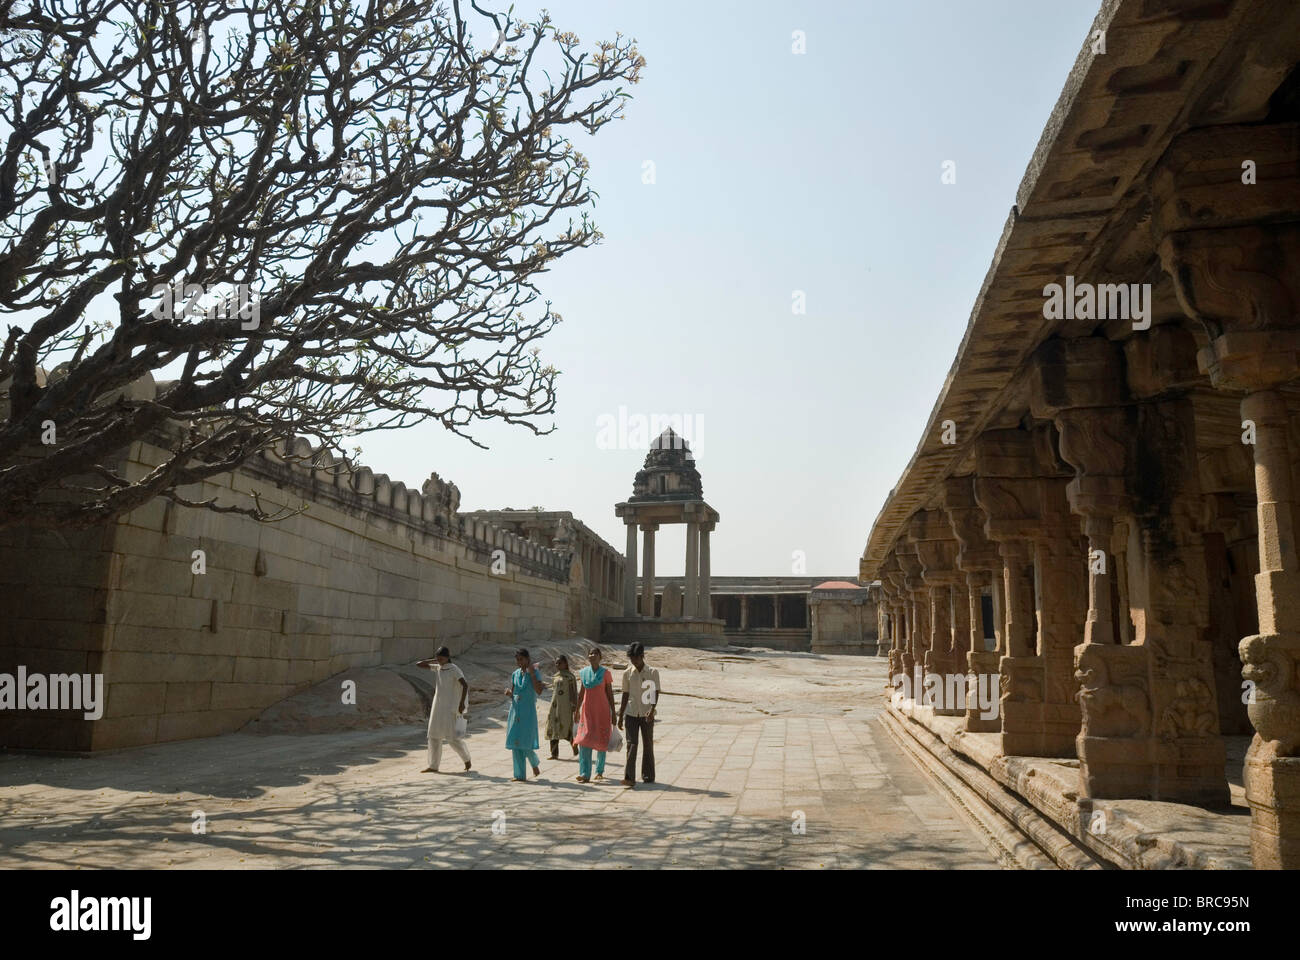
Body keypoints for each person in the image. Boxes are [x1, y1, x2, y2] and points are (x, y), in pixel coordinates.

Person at [416, 647, 470, 773]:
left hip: (450, 706)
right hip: (437, 705)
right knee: (434, 735)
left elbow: (465, 684)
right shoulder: (439, 667)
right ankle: (433, 765)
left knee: (451, 737)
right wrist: (435, 659)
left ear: (447, 657)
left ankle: (466, 759)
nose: (439, 661)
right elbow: (419, 664)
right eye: (438, 658)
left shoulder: (454, 669)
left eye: (442, 658)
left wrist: (461, 703)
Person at [618, 641, 660, 787]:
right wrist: (620, 715)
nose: (634, 661)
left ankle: (648, 775)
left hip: (646, 714)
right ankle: (629, 777)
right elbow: (625, 694)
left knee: (647, 744)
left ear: (642, 656)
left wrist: (652, 709)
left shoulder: (652, 672)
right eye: (631, 659)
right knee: (631, 744)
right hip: (631, 714)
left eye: (636, 658)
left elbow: (655, 692)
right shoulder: (627, 673)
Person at [573, 646, 616, 783]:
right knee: (584, 740)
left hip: (602, 712)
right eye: (590, 653)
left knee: (601, 740)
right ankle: (584, 773)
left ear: (600, 657)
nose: (592, 655)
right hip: (587, 712)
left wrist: (614, 713)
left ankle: (599, 770)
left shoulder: (606, 673)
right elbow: (581, 693)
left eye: (595, 653)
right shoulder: (584, 672)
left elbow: (609, 694)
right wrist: (576, 710)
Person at [505, 648, 544, 781]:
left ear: (528, 659)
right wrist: (510, 694)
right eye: (517, 660)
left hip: (528, 712)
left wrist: (532, 674)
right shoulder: (515, 674)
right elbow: (514, 692)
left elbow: (539, 691)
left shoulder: (535, 672)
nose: (519, 662)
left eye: (521, 659)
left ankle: (534, 762)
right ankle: (519, 775)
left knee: (525, 741)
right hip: (515, 710)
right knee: (516, 743)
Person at [544, 655, 578, 760]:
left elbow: (573, 692)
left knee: (567, 727)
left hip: (565, 707)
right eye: (556, 663)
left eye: (560, 663)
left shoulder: (570, 677)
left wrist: (574, 706)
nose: (558, 665)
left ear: (565, 663)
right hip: (554, 706)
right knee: (553, 727)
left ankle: (575, 749)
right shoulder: (556, 676)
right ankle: (554, 754)